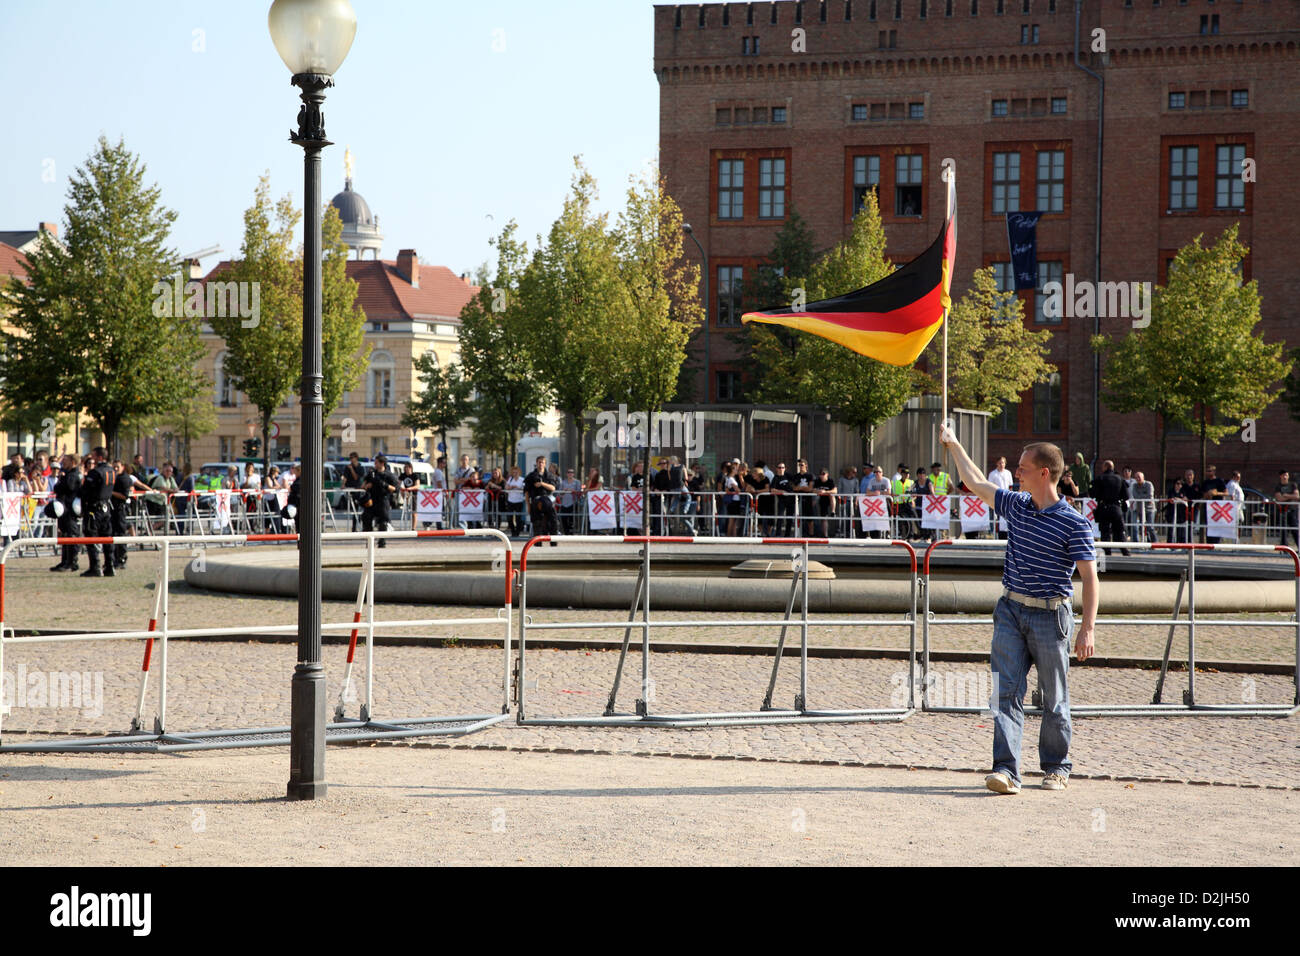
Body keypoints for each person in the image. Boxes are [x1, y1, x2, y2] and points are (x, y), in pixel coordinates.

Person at [939, 425, 1098, 795]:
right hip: (1011, 610)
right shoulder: (1018, 505)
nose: (1016, 472)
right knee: (1005, 691)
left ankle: (1057, 767)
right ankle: (1006, 770)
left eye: (1023, 467)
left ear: (1044, 473)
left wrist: (1087, 627)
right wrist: (955, 444)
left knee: (1054, 696)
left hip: (1050, 615)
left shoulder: (1074, 523)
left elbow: (1090, 577)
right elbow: (977, 483)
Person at [79, 447, 115, 578]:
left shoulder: (95, 473)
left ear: (99, 457)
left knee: (91, 537)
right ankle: (109, 566)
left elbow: (85, 491)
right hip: (106, 507)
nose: (91, 459)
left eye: (94, 456)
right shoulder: (112, 471)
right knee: (107, 538)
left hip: (94, 509)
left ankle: (95, 567)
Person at [49, 454, 83, 571]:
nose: (63, 462)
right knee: (64, 534)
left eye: (66, 460)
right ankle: (65, 561)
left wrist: (60, 482)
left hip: (69, 509)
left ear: (73, 462)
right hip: (64, 508)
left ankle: (72, 562)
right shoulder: (67, 474)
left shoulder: (72, 475)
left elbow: (64, 488)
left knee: (71, 535)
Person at [1090, 460, 1131, 556]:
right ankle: (1125, 553)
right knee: (1120, 531)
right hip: (1116, 508)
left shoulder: (1100, 478)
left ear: (1105, 467)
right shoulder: (1120, 479)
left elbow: (1092, 494)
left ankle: (1107, 553)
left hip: (1104, 508)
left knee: (1105, 532)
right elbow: (1126, 496)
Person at [361, 455, 399, 547]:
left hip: (383, 500)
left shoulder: (389, 475)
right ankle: (369, 542)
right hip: (372, 500)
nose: (375, 464)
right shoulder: (372, 473)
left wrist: (384, 484)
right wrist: (367, 485)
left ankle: (382, 543)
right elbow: (363, 486)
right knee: (366, 519)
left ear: (382, 463)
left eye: (376, 462)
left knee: (383, 522)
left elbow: (395, 489)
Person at [524, 456, 558, 536]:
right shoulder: (531, 476)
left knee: (553, 521)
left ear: (545, 464)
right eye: (539, 462)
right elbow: (526, 492)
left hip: (548, 501)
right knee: (537, 523)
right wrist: (528, 506)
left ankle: (553, 541)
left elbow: (553, 488)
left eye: (542, 462)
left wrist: (542, 484)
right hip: (536, 500)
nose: (540, 464)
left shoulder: (550, 475)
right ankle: (538, 543)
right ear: (536, 463)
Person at [341, 452, 366, 532]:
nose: (351, 459)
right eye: (350, 458)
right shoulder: (347, 467)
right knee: (351, 508)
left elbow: (356, 477)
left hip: (357, 489)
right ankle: (353, 528)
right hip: (349, 488)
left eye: (352, 458)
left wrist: (352, 469)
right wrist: (343, 485)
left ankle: (355, 527)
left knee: (357, 508)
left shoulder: (360, 468)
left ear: (356, 458)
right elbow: (345, 477)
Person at [1275, 470, 1299, 549]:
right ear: (1280, 476)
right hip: (1282, 511)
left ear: (1288, 476)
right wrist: (1289, 496)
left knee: (1295, 530)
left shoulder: (1292, 485)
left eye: (1286, 475)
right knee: (1283, 532)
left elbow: (1297, 496)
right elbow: (1279, 498)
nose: (1285, 477)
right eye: (1283, 475)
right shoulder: (1278, 487)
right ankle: (1284, 549)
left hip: (1292, 510)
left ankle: (1299, 547)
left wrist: (1286, 495)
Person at [1131, 471, 1156, 544]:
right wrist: (1143, 497)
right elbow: (1135, 496)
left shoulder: (1149, 484)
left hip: (1150, 509)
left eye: (1139, 477)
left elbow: (1149, 496)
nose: (1137, 479)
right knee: (1142, 527)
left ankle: (1154, 543)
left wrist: (1141, 497)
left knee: (1150, 526)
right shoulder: (1134, 485)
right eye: (1136, 477)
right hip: (1140, 509)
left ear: (1143, 477)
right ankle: (1146, 542)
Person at [812, 467, 837, 538]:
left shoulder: (830, 481)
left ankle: (833, 511)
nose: (822, 476)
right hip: (821, 500)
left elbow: (835, 491)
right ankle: (825, 535)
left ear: (827, 475)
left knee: (832, 495)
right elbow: (813, 490)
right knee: (824, 518)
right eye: (821, 474)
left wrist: (825, 492)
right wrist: (818, 491)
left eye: (823, 474)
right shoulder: (817, 481)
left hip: (829, 499)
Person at [504, 466, 526, 536]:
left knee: (518, 518)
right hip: (510, 500)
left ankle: (517, 532)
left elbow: (524, 489)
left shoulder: (522, 479)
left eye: (516, 472)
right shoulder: (510, 479)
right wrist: (511, 487)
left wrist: (517, 487)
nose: (515, 474)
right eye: (513, 472)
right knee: (509, 517)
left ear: (519, 473)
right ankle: (513, 531)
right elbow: (506, 487)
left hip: (519, 501)